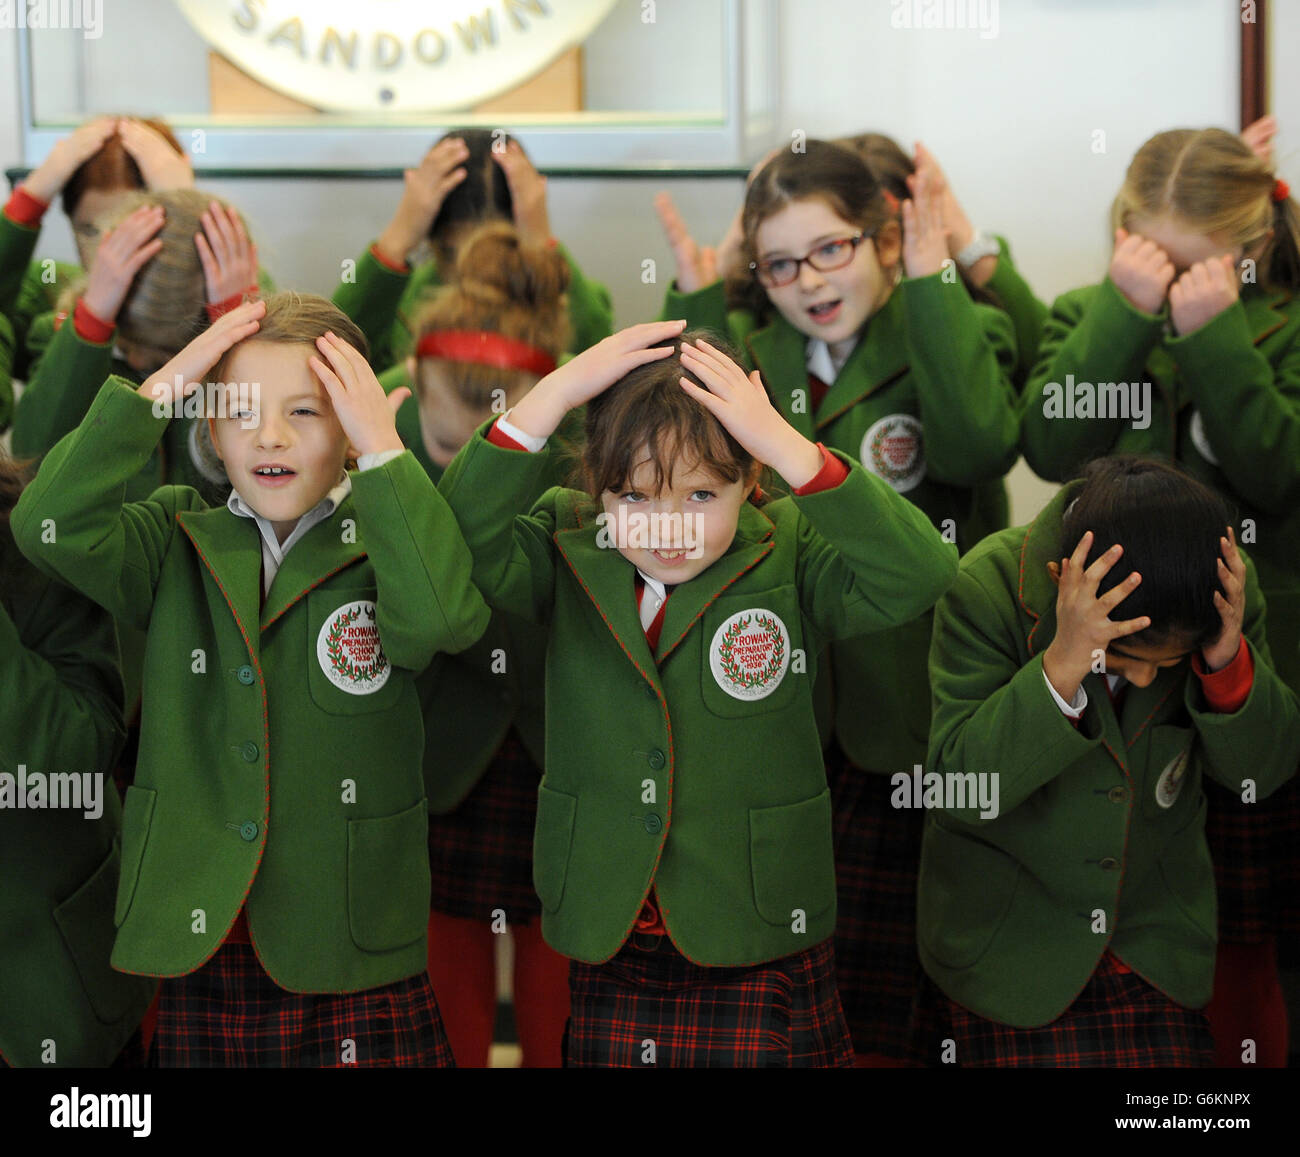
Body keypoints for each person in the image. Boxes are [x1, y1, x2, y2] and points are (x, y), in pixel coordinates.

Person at [439, 320, 958, 1066]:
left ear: (751, 480)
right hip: (611, 918)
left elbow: (920, 575)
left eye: (702, 492)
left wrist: (790, 447)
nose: (670, 526)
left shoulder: (789, 547)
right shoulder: (567, 538)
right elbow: (454, 541)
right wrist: (550, 396)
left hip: (756, 918)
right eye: (636, 496)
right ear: (596, 486)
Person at [12, 294, 490, 1067]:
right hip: (202, 937)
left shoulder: (391, 540)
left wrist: (383, 452)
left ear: (352, 424)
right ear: (208, 429)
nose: (269, 435)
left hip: (348, 939)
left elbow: (439, 619)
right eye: (239, 411)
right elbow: (48, 523)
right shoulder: (174, 536)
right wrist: (157, 392)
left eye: (307, 412)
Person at [657, 138, 1020, 1063]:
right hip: (801, 722)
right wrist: (697, 305)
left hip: (928, 711)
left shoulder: (943, 324)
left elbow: (980, 445)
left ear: (883, 240)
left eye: (831, 249)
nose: (809, 280)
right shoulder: (756, 353)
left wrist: (937, 282)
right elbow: (674, 449)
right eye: (779, 263)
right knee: (834, 981)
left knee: (936, 977)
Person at [1019, 126, 1300, 1065]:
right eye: (1148, 252)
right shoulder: (1089, 314)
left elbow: (1279, 470)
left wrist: (1217, 339)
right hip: (1116, 686)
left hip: (1248, 677)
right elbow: (1053, 450)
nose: (1170, 278)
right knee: (1133, 897)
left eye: (1199, 263)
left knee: (1247, 937)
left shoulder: (1284, 325)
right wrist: (1122, 316)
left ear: (1254, 248)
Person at [917, 454, 1300, 1067]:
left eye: (1169, 664)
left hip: (1154, 945)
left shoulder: (1223, 584)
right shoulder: (984, 585)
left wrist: (1228, 662)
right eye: (1126, 660)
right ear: (1066, 580)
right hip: (1009, 948)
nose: (1148, 676)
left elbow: (1262, 771)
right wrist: (1064, 661)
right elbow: (962, 790)